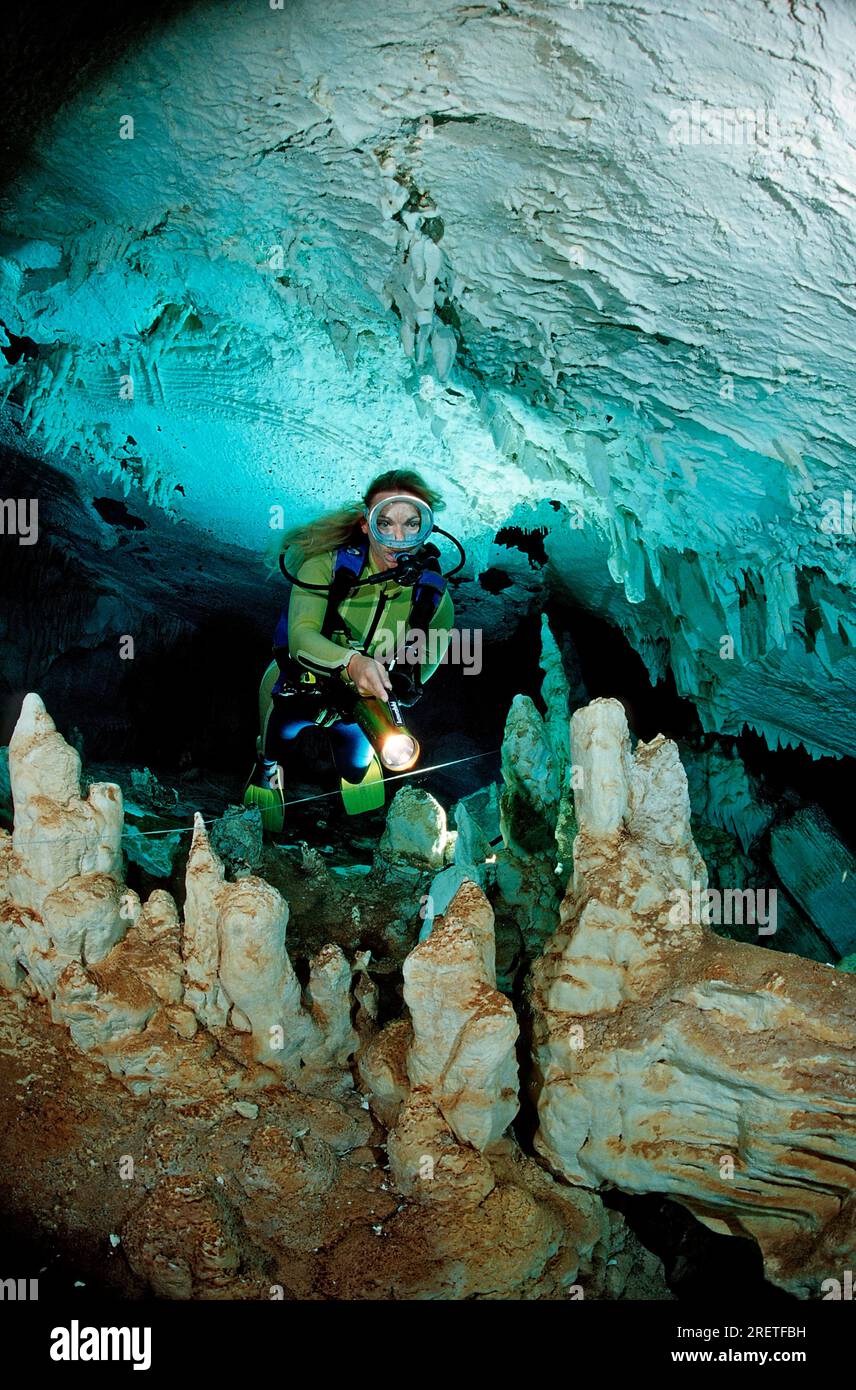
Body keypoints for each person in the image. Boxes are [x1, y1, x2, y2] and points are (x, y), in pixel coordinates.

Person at [243, 469, 455, 832]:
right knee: (273, 748)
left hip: (359, 702)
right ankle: (266, 773)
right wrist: (352, 663)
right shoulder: (323, 564)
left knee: (356, 765)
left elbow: (425, 662)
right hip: (296, 687)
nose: (398, 539)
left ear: (426, 530)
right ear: (365, 524)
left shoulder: (434, 599)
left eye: (412, 525)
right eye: (384, 523)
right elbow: (301, 637)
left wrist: (395, 686)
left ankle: (358, 793)